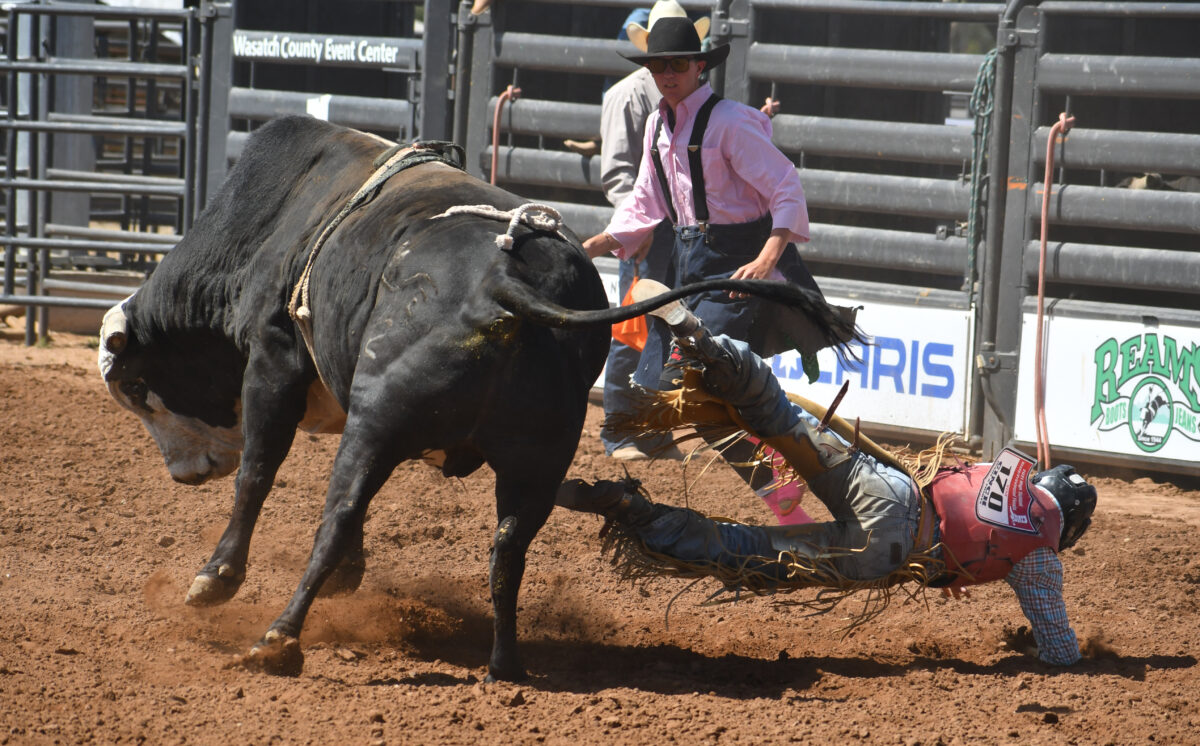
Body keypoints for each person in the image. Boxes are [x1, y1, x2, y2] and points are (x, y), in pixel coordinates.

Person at [558, 303, 1096, 666]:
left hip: (892, 491)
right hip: (884, 552)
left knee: (782, 419)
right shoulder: (1041, 557)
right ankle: (632, 511)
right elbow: (1060, 649)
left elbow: (958, 498)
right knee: (748, 552)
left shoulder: (999, 470)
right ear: (1068, 520)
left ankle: (708, 345)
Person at [585, 17, 847, 515]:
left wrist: (765, 260)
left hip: (738, 268)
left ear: (699, 67)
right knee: (703, 401)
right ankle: (787, 492)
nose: (666, 73)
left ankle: (809, 474)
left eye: (677, 63)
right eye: (657, 64)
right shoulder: (656, 125)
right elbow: (645, 201)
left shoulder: (730, 122)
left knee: (703, 388)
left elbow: (785, 187)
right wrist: (597, 243)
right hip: (692, 267)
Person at [596, 2, 704, 462]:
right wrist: (635, 228)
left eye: (678, 60)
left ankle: (653, 430)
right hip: (649, 231)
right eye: (665, 59)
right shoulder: (630, 96)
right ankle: (620, 430)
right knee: (633, 332)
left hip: (681, 232)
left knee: (666, 329)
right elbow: (620, 176)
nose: (670, 68)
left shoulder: (677, 99)